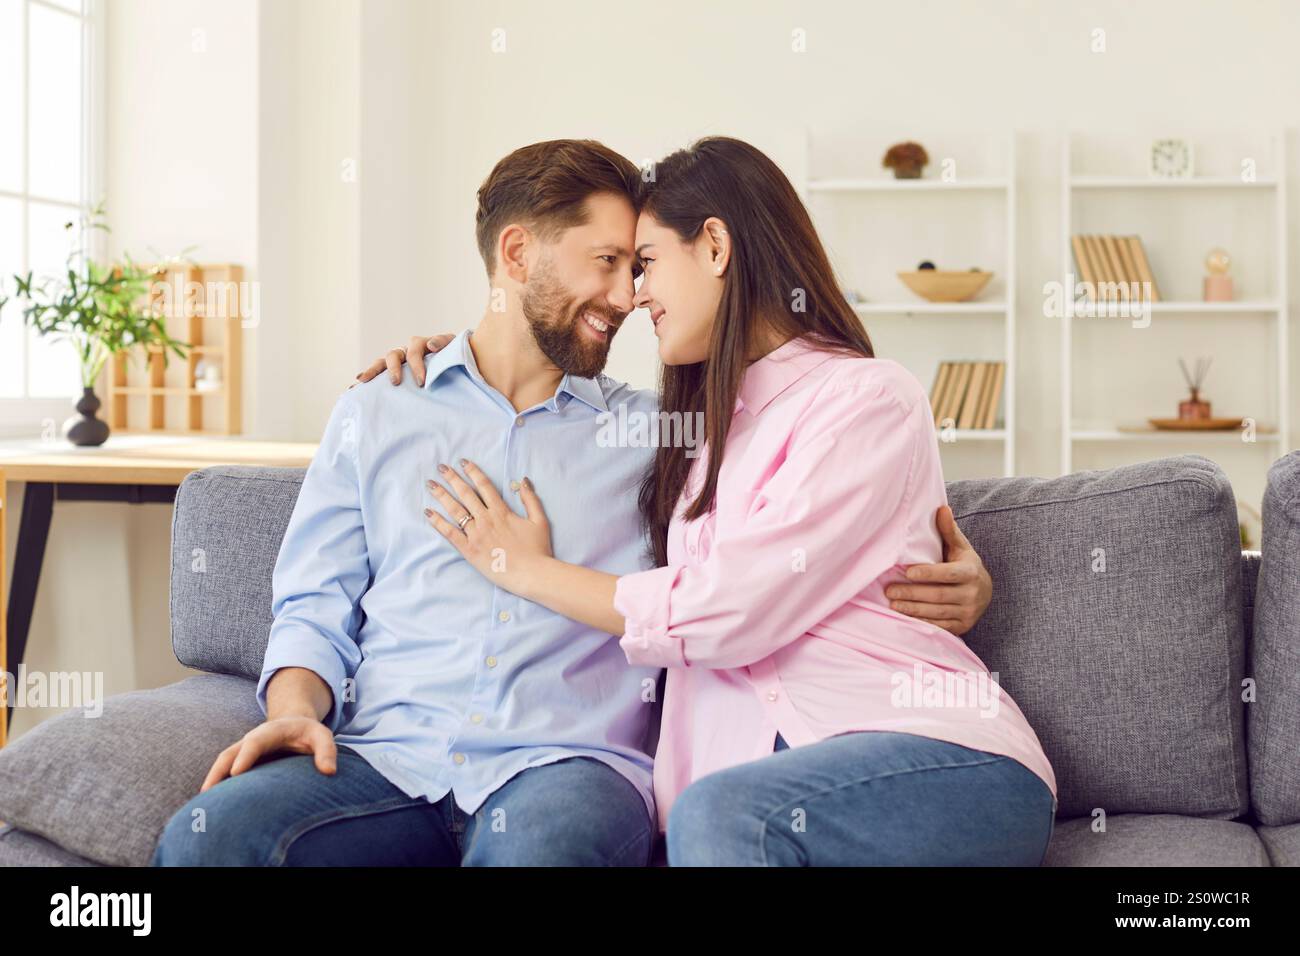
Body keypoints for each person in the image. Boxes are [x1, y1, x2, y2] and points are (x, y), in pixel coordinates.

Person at [393, 137, 1056, 866]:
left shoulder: (866, 396)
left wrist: (526, 569)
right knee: (717, 813)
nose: (632, 294)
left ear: (714, 245)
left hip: (929, 754)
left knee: (723, 814)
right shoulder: (687, 435)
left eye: (644, 263)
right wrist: (452, 362)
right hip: (743, 798)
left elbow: (736, 607)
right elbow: (535, 398)